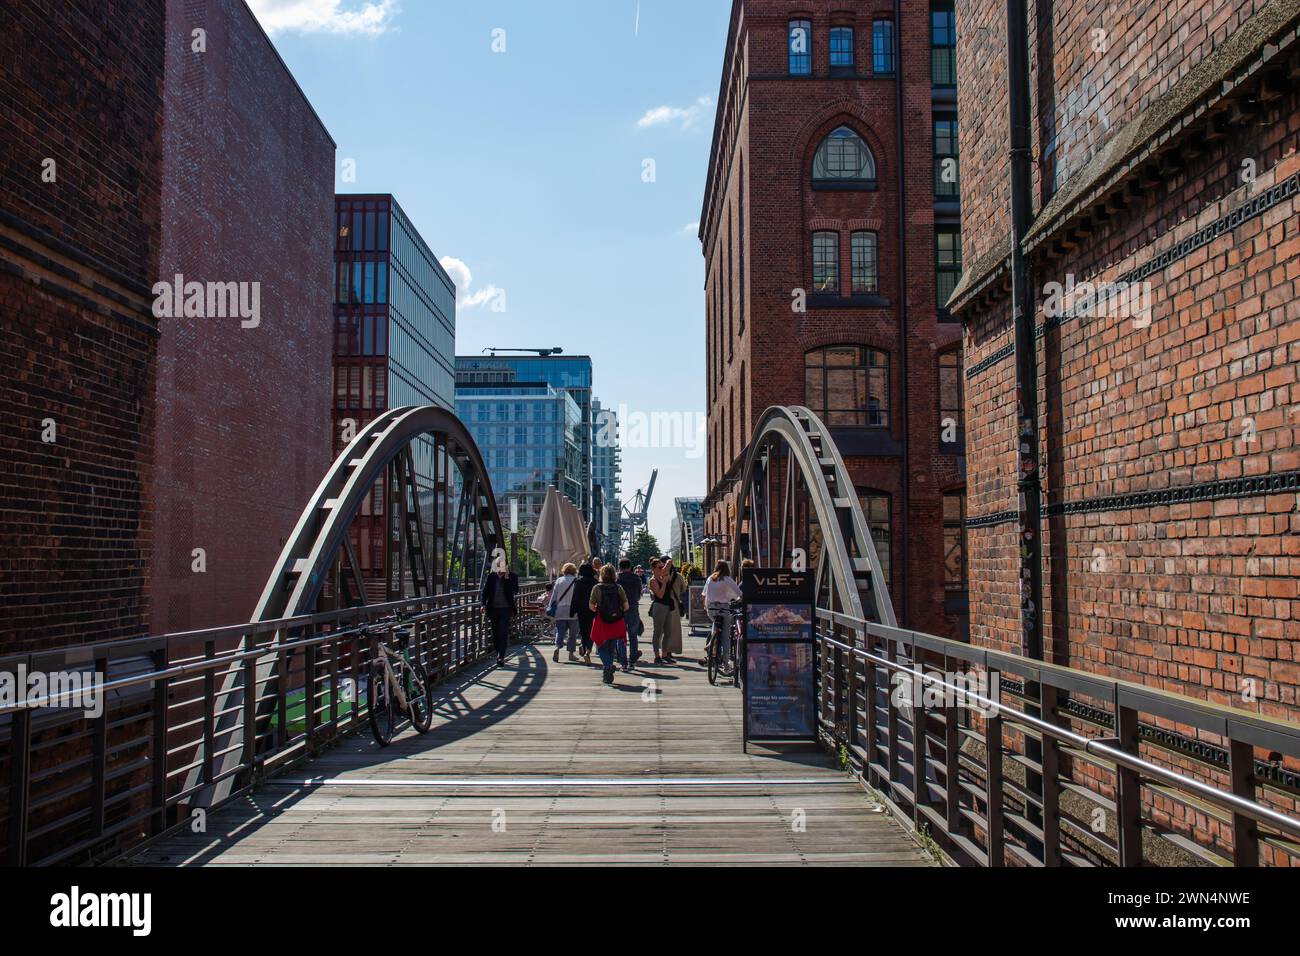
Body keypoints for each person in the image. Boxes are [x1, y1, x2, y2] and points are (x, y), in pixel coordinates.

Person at [588, 564, 630, 683]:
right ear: (614, 574)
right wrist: (617, 611)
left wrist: (599, 609)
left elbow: (591, 606)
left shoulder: (597, 588)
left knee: (600, 646)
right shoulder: (619, 588)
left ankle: (608, 666)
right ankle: (607, 671)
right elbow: (626, 606)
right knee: (611, 647)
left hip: (602, 621)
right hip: (617, 621)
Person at [700, 560, 742, 672]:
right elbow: (739, 593)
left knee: (715, 624)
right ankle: (726, 664)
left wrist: (706, 606)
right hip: (723, 609)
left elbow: (703, 595)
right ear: (727, 568)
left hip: (711, 609)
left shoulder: (710, 578)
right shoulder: (727, 579)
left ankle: (711, 644)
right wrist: (739, 600)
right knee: (725, 637)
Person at [648, 555, 687, 664]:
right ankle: (657, 656)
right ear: (653, 569)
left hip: (668, 606)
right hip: (659, 606)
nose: (663, 569)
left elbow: (669, 562)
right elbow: (660, 595)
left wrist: (665, 565)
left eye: (662, 567)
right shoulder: (653, 580)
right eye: (659, 568)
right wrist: (664, 582)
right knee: (658, 632)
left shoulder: (664, 575)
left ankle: (665, 654)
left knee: (668, 632)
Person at [480, 564, 520, 667]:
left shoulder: (512, 576)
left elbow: (515, 590)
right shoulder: (492, 576)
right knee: (495, 633)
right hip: (493, 608)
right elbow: (485, 592)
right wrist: (483, 604)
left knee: (503, 632)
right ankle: (498, 652)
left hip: (505, 609)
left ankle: (500, 656)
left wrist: (506, 578)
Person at [549, 562, 581, 663]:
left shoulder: (559, 580)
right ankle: (571, 654)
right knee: (573, 633)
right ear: (574, 571)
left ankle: (557, 648)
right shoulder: (576, 581)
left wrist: (550, 608)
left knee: (560, 631)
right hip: (573, 611)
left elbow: (554, 597)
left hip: (560, 610)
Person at [616, 558, 645, 669]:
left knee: (620, 637)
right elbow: (639, 595)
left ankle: (623, 663)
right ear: (629, 567)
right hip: (633, 608)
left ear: (620, 567)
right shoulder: (636, 578)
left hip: (620, 611)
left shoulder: (617, 578)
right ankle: (632, 661)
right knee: (633, 637)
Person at [570, 562, 598, 664]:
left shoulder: (578, 582)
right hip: (592, 609)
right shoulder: (595, 582)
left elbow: (575, 597)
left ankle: (583, 645)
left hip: (581, 610)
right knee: (591, 630)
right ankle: (588, 651)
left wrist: (572, 610)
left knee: (583, 630)